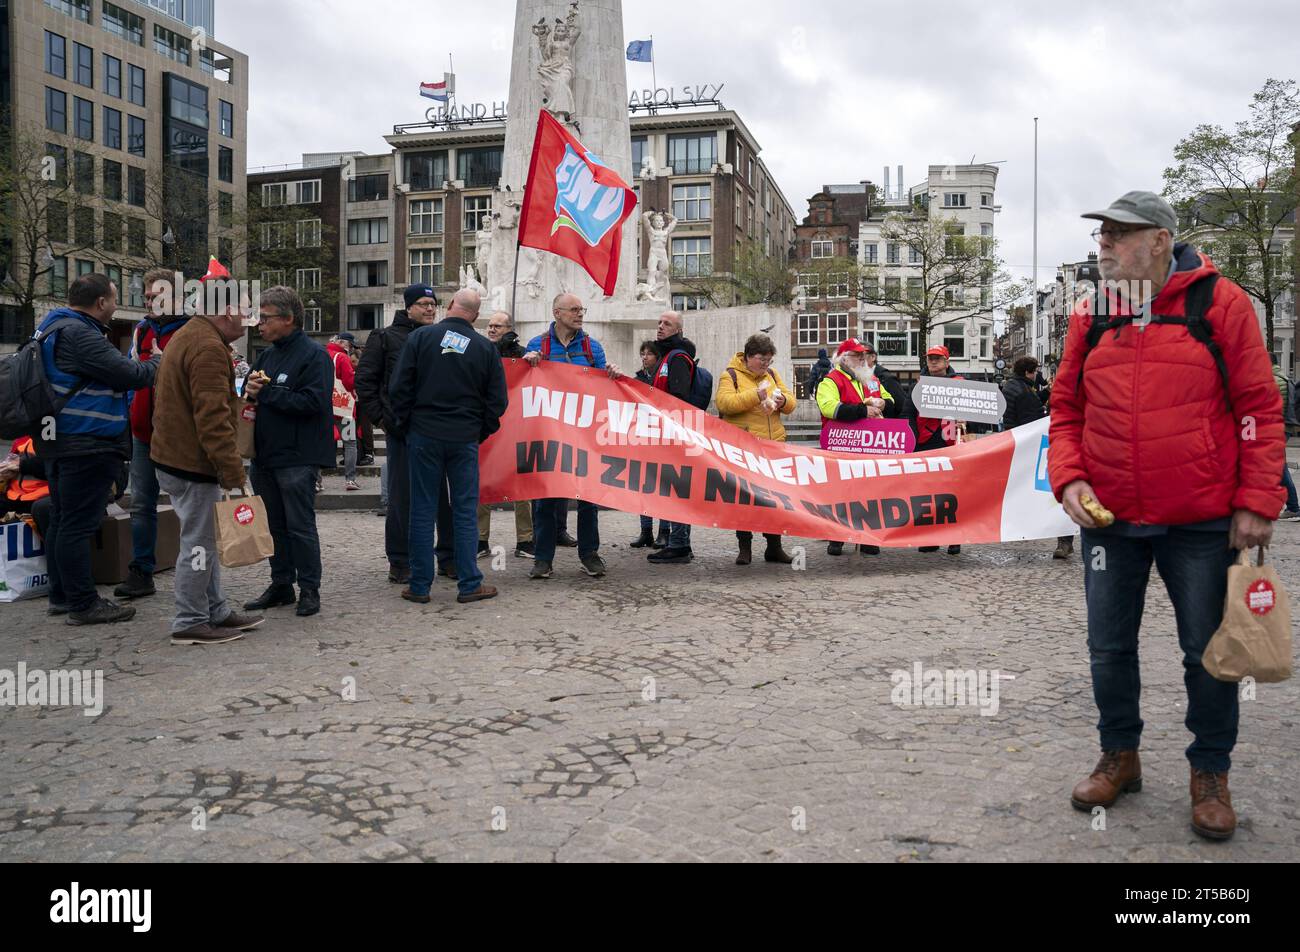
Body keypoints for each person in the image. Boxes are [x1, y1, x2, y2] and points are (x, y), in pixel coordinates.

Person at [1051, 190, 1284, 841]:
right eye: (1099, 235)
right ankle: (1120, 755)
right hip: (1109, 521)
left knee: (1206, 653)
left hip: (1201, 521)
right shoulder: (1091, 314)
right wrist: (1068, 479)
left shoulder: (1222, 303)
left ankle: (1209, 771)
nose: (1102, 245)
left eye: (1115, 235)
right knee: (1107, 648)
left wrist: (1258, 501)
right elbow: (1066, 412)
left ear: (1158, 240)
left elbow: (1258, 410)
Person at [33, 274, 161, 625]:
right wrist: (157, 362)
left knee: (62, 520)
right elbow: (128, 373)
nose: (116, 305)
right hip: (86, 443)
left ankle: (63, 595)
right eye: (115, 299)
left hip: (62, 442)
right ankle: (82, 603)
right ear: (101, 302)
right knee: (76, 525)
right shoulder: (79, 333)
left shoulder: (51, 326)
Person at [149, 272, 264, 645]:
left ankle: (214, 611)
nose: (248, 320)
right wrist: (233, 473)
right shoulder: (208, 348)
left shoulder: (192, 336)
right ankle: (190, 620)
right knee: (198, 544)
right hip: (192, 463)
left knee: (207, 540)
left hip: (177, 457)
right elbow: (212, 419)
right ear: (227, 310)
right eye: (245, 311)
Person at [390, 289, 507, 605]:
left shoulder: (421, 339)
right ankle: (469, 583)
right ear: (476, 314)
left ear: (450, 306)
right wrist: (478, 430)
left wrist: (407, 426)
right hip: (463, 437)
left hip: (424, 435)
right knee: (465, 509)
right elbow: (498, 401)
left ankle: (419, 585)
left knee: (422, 508)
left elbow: (399, 388)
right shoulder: (484, 347)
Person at [242, 287, 334, 619]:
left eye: (264, 318)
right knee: (273, 527)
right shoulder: (266, 355)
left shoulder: (315, 355)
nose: (259, 325)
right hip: (265, 456)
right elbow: (250, 394)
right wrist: (249, 391)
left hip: (298, 457)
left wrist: (267, 394)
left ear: (288, 319)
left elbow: (314, 402)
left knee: (299, 525)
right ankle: (281, 583)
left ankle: (310, 588)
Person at [354, 285, 453, 585]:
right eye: (423, 304)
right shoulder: (384, 337)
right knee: (402, 498)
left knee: (442, 499)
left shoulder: (442, 337)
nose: (430, 309)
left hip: (438, 430)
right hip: (404, 432)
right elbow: (366, 381)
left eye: (433, 304)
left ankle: (448, 557)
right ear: (408, 307)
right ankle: (400, 560)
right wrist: (385, 420)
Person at [523, 293, 620, 580]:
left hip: (584, 435)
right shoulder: (536, 345)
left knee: (588, 497)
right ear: (557, 313)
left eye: (582, 309)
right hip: (549, 435)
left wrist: (611, 373)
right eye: (574, 310)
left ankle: (589, 555)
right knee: (545, 500)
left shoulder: (592, 348)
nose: (580, 314)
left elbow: (604, 386)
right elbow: (524, 385)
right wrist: (526, 364)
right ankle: (543, 559)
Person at [114, 267, 189, 601]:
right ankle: (142, 571)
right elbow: (132, 375)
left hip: (178, 436)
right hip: (143, 433)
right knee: (141, 503)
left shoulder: (193, 331)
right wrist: (132, 411)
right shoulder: (142, 330)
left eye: (153, 295)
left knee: (188, 505)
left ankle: (194, 571)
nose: (147, 300)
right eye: (145, 295)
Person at [716, 333, 797, 565]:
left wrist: (782, 402)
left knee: (775, 501)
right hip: (744, 450)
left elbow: (791, 401)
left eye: (769, 360)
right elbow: (724, 404)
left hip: (773, 448)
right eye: (762, 359)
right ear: (749, 356)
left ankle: (774, 546)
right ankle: (745, 547)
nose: (765, 365)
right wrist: (755, 395)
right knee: (745, 500)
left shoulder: (772, 374)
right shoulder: (730, 375)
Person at [816, 338, 895, 557]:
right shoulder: (831, 380)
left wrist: (883, 403)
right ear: (843, 358)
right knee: (841, 494)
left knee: (869, 493)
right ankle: (837, 538)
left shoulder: (869, 378)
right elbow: (829, 407)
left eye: (863, 356)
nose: (862, 359)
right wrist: (863, 410)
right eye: (857, 356)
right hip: (841, 446)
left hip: (867, 447)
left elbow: (890, 399)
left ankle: (867, 537)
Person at [1003, 356, 1075, 560]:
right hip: (1038, 448)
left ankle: (1061, 538)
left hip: (1024, 446)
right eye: (1035, 372)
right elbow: (1031, 417)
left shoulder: (1015, 386)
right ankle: (1064, 539)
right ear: (1029, 372)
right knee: (1052, 493)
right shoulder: (1025, 390)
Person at [477, 311, 534, 559]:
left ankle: (525, 540)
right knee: (482, 482)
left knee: (521, 486)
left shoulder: (520, 354)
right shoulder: (479, 351)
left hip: (515, 427)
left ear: (509, 327)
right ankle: (480, 540)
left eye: (497, 326)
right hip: (487, 425)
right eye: (489, 325)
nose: (491, 329)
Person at [645, 311, 698, 565]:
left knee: (676, 489)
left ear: (678, 330)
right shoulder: (667, 355)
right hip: (669, 432)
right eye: (659, 322)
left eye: (666, 324)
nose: (660, 326)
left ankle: (678, 544)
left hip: (674, 433)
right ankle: (680, 542)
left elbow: (679, 397)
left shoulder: (676, 358)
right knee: (674, 488)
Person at [912, 344, 964, 555]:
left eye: (937, 358)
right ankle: (931, 537)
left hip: (950, 438)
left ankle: (954, 537)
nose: (933, 361)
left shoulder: (959, 383)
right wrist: (911, 437)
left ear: (946, 362)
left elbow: (973, 410)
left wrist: (966, 422)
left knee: (951, 491)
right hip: (926, 440)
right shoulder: (919, 384)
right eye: (930, 358)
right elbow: (909, 409)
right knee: (928, 491)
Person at [630, 340, 666, 550]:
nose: (644, 357)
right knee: (645, 487)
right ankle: (646, 531)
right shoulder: (638, 380)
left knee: (661, 487)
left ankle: (664, 531)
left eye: (649, 354)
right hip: (644, 437)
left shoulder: (663, 379)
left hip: (661, 438)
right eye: (642, 353)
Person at [327, 332, 361, 492]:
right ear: (344, 344)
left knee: (323, 443)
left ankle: (317, 481)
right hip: (343, 409)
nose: (350, 349)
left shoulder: (321, 354)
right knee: (350, 443)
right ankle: (350, 480)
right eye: (350, 346)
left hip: (323, 408)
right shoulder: (342, 358)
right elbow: (349, 382)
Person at [1271, 364, 1299, 520]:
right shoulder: (1283, 377)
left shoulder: (1274, 380)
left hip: (1277, 428)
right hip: (1284, 427)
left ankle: (1293, 506)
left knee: (1280, 467)